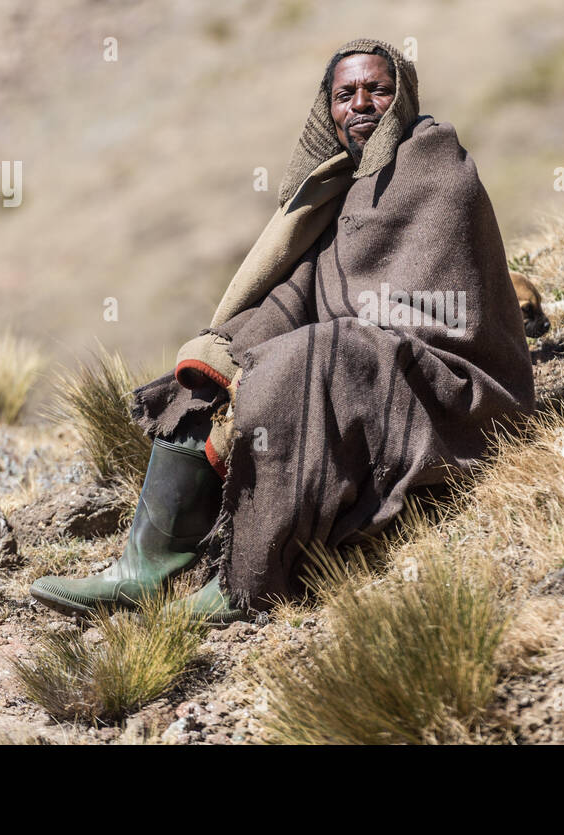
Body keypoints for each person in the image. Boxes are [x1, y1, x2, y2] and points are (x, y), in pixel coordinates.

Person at [31, 38, 535, 624]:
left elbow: (441, 313)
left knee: (310, 361)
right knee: (211, 368)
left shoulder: (440, 171)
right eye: (345, 94)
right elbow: (305, 289)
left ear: (403, 98)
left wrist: (338, 344)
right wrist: (231, 349)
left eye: (378, 89)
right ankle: (147, 567)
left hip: (451, 385)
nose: (362, 103)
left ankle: (247, 578)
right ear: (329, 110)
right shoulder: (336, 191)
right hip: (366, 360)